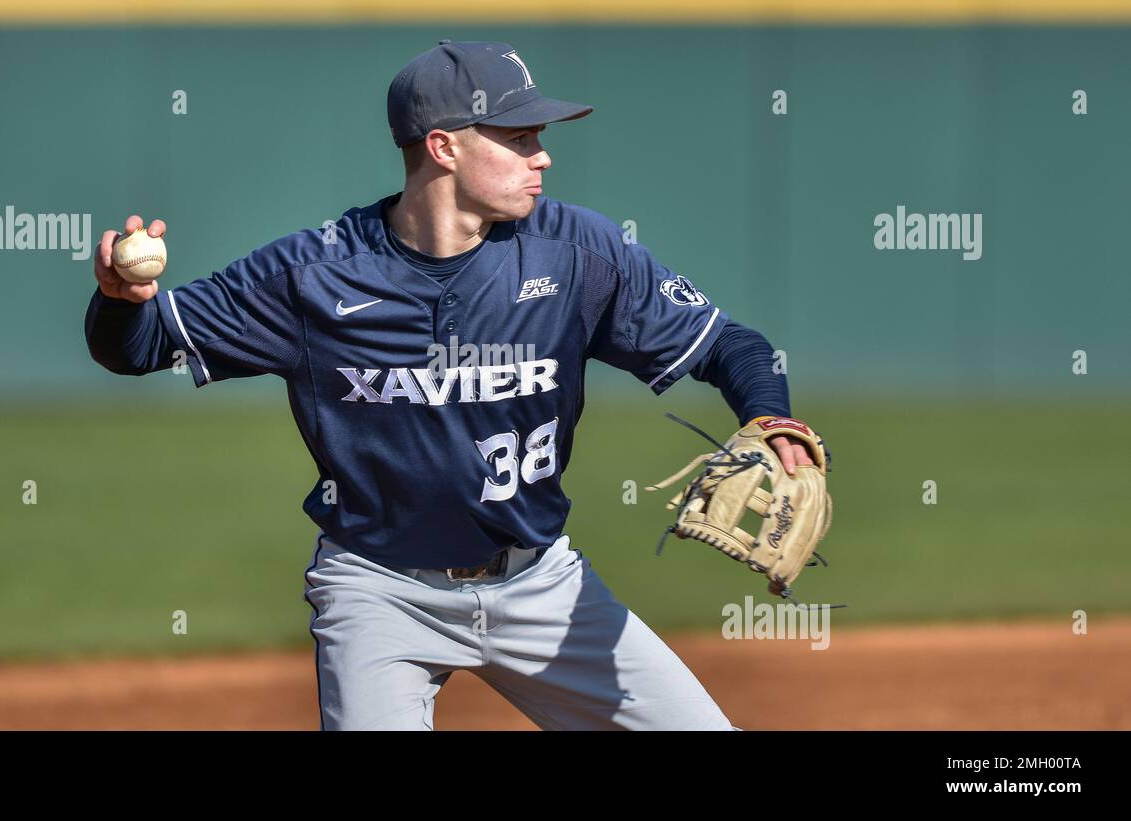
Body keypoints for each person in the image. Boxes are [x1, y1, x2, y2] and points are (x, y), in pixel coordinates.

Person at [85, 40, 819, 730]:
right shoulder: (313, 275)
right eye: (521, 137)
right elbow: (142, 346)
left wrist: (772, 417)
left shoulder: (577, 254)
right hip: (379, 591)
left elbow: (728, 343)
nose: (544, 156)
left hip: (541, 585)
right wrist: (119, 301)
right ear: (444, 146)